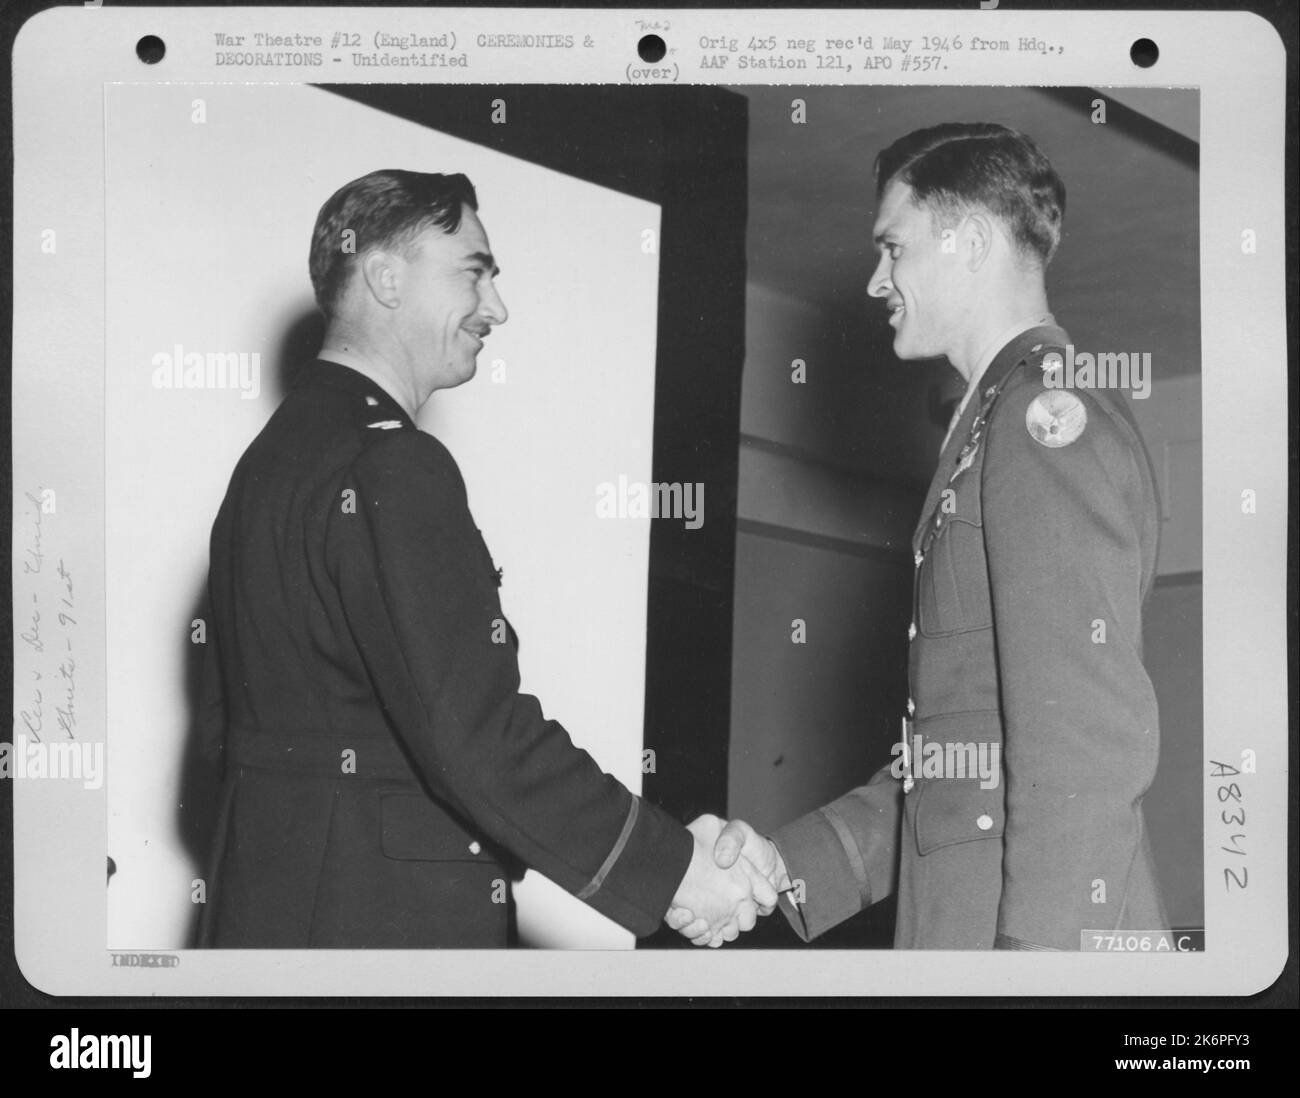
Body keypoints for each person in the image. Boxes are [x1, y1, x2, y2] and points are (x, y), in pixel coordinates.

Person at [196, 169, 772, 948]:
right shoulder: (395, 464)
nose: (496, 308)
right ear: (385, 277)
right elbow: (475, 738)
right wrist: (673, 868)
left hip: (268, 911)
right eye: (474, 272)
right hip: (384, 921)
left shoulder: (265, 468)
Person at [669, 123, 1168, 951]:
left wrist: (1032, 976)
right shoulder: (997, 425)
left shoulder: (1044, 424)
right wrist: (780, 865)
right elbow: (961, 765)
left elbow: (1085, 747)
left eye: (892, 248)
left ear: (968, 241)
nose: (875, 280)